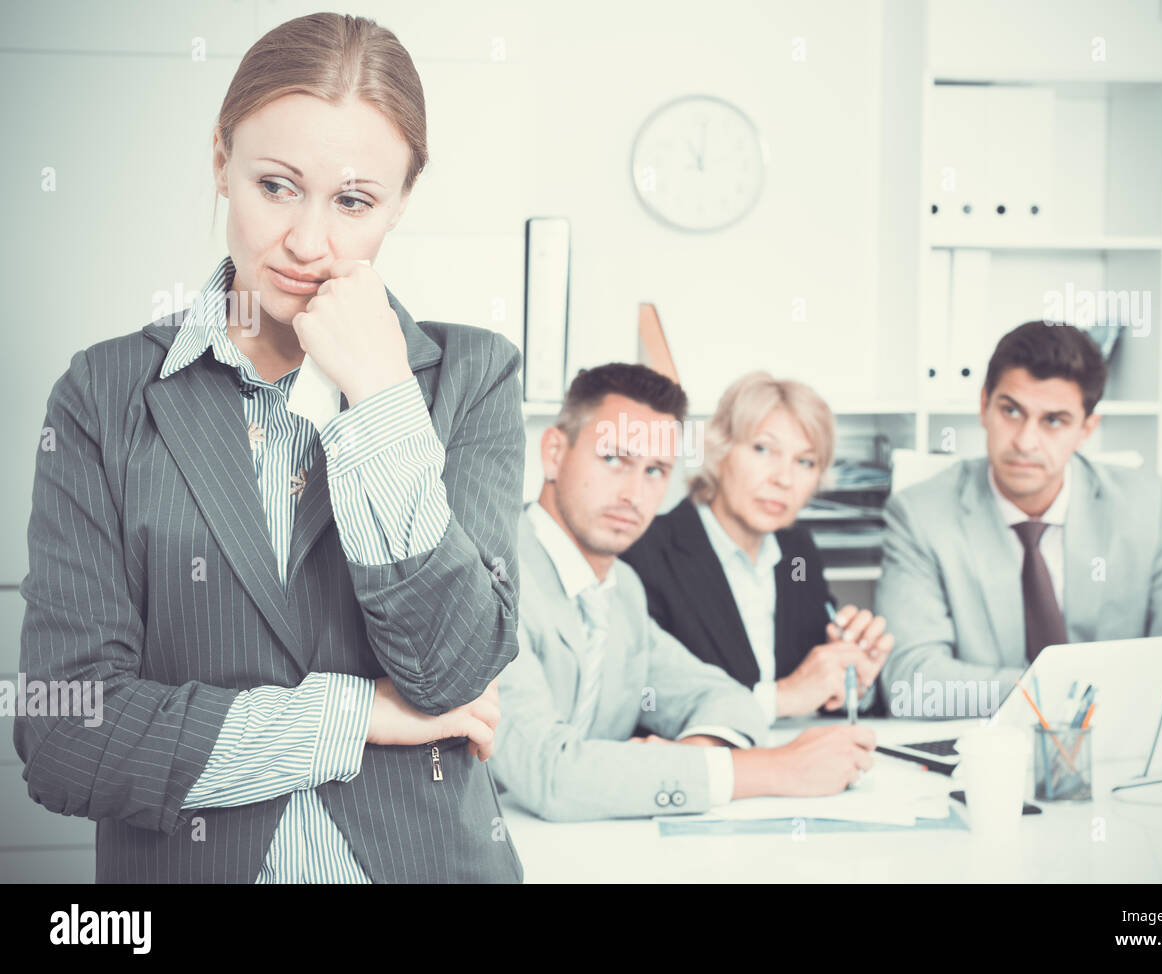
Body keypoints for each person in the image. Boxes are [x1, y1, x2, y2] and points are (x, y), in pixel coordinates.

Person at [15, 13, 524, 883]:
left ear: (402, 199)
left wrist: (380, 398)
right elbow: (64, 736)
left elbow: (449, 669)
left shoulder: (472, 375)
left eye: (354, 200)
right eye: (277, 186)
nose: (308, 243)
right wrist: (354, 716)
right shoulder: (103, 394)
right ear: (221, 162)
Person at [492, 364, 876, 821]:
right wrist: (774, 769)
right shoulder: (492, 577)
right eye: (614, 459)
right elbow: (549, 775)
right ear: (555, 452)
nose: (634, 494)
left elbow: (729, 700)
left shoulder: (622, 591)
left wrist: (691, 761)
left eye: (655, 470)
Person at [876, 321, 1162, 715]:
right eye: (1011, 411)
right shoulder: (920, 515)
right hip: (985, 752)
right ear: (983, 407)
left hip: (1117, 747)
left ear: (1086, 429)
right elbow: (910, 684)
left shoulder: (1148, 507)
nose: (1025, 442)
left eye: (1053, 421)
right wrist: (1068, 698)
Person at [621, 371, 894, 723]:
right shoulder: (646, 551)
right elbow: (645, 705)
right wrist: (784, 696)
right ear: (719, 449)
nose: (783, 479)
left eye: (805, 462)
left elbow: (820, 692)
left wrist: (852, 674)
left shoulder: (797, 552)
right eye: (763, 449)